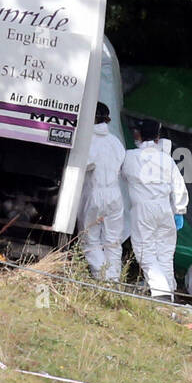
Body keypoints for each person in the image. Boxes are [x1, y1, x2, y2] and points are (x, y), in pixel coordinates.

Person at [121, 118, 188, 299]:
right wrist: (180, 210)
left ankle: (161, 292)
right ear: (158, 137)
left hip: (143, 209)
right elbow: (179, 186)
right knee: (165, 253)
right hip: (165, 208)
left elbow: (119, 175)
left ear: (138, 135)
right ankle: (170, 293)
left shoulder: (130, 156)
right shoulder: (166, 159)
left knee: (145, 251)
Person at [80, 102, 126, 281]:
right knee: (113, 241)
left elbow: (86, 163)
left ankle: (102, 279)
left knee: (90, 239)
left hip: (95, 194)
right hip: (115, 195)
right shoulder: (115, 141)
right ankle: (114, 279)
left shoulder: (88, 139)